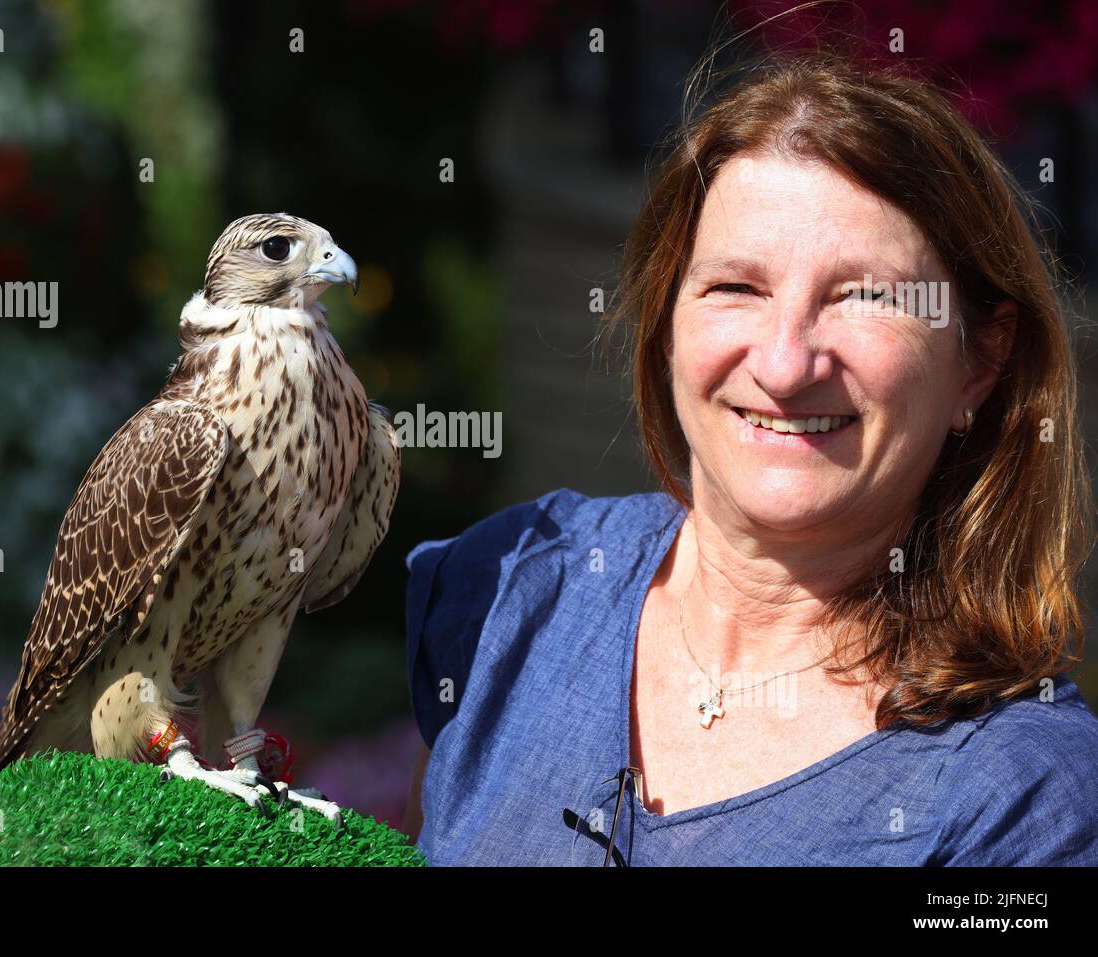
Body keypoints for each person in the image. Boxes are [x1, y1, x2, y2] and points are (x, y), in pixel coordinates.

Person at [401, 52, 1098, 865]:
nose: (784, 363)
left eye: (864, 296)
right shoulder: (512, 589)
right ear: (666, 321)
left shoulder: (1023, 801)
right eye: (737, 287)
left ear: (978, 362)